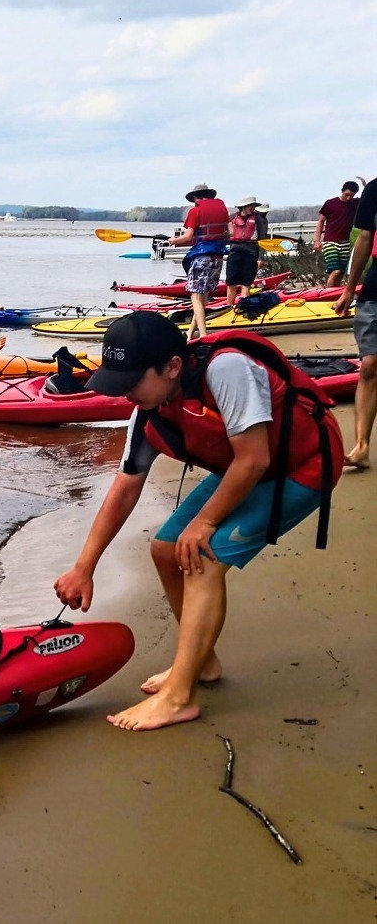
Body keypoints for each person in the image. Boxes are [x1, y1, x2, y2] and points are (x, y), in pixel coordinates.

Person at [52, 311, 343, 732]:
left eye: (132, 381)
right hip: (250, 468)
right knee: (165, 548)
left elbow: (255, 457)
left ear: (172, 367)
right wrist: (84, 567)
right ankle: (201, 663)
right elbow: (124, 487)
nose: (125, 394)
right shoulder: (149, 409)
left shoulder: (227, 369)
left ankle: (179, 697)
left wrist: (205, 524)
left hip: (303, 465)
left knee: (200, 555)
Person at [334, 177, 376, 468]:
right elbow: (364, 238)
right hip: (375, 289)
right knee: (370, 364)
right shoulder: (374, 189)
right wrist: (349, 289)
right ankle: (361, 446)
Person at [168, 183, 229, 339]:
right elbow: (232, 232)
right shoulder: (223, 209)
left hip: (202, 259)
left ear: (195, 197)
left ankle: (203, 335)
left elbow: (188, 237)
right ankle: (190, 333)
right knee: (202, 298)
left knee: (195, 296)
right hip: (217, 258)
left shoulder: (195, 211)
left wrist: (174, 240)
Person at [315, 180, 361, 289]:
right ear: (342, 191)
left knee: (340, 273)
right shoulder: (330, 203)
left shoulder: (355, 203)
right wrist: (317, 240)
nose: (349, 198)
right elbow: (321, 222)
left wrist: (365, 185)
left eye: (352, 196)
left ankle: (334, 293)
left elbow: (370, 197)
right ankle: (327, 295)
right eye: (347, 195)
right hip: (330, 241)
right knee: (335, 271)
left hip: (344, 242)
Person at [224, 196, 264, 307]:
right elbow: (225, 233)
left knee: (246, 283)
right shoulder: (232, 218)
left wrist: (261, 257)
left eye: (254, 206)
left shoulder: (258, 219)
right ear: (243, 207)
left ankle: (244, 306)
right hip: (234, 252)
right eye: (250, 206)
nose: (253, 208)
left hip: (251, 253)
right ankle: (229, 306)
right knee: (231, 282)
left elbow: (262, 239)